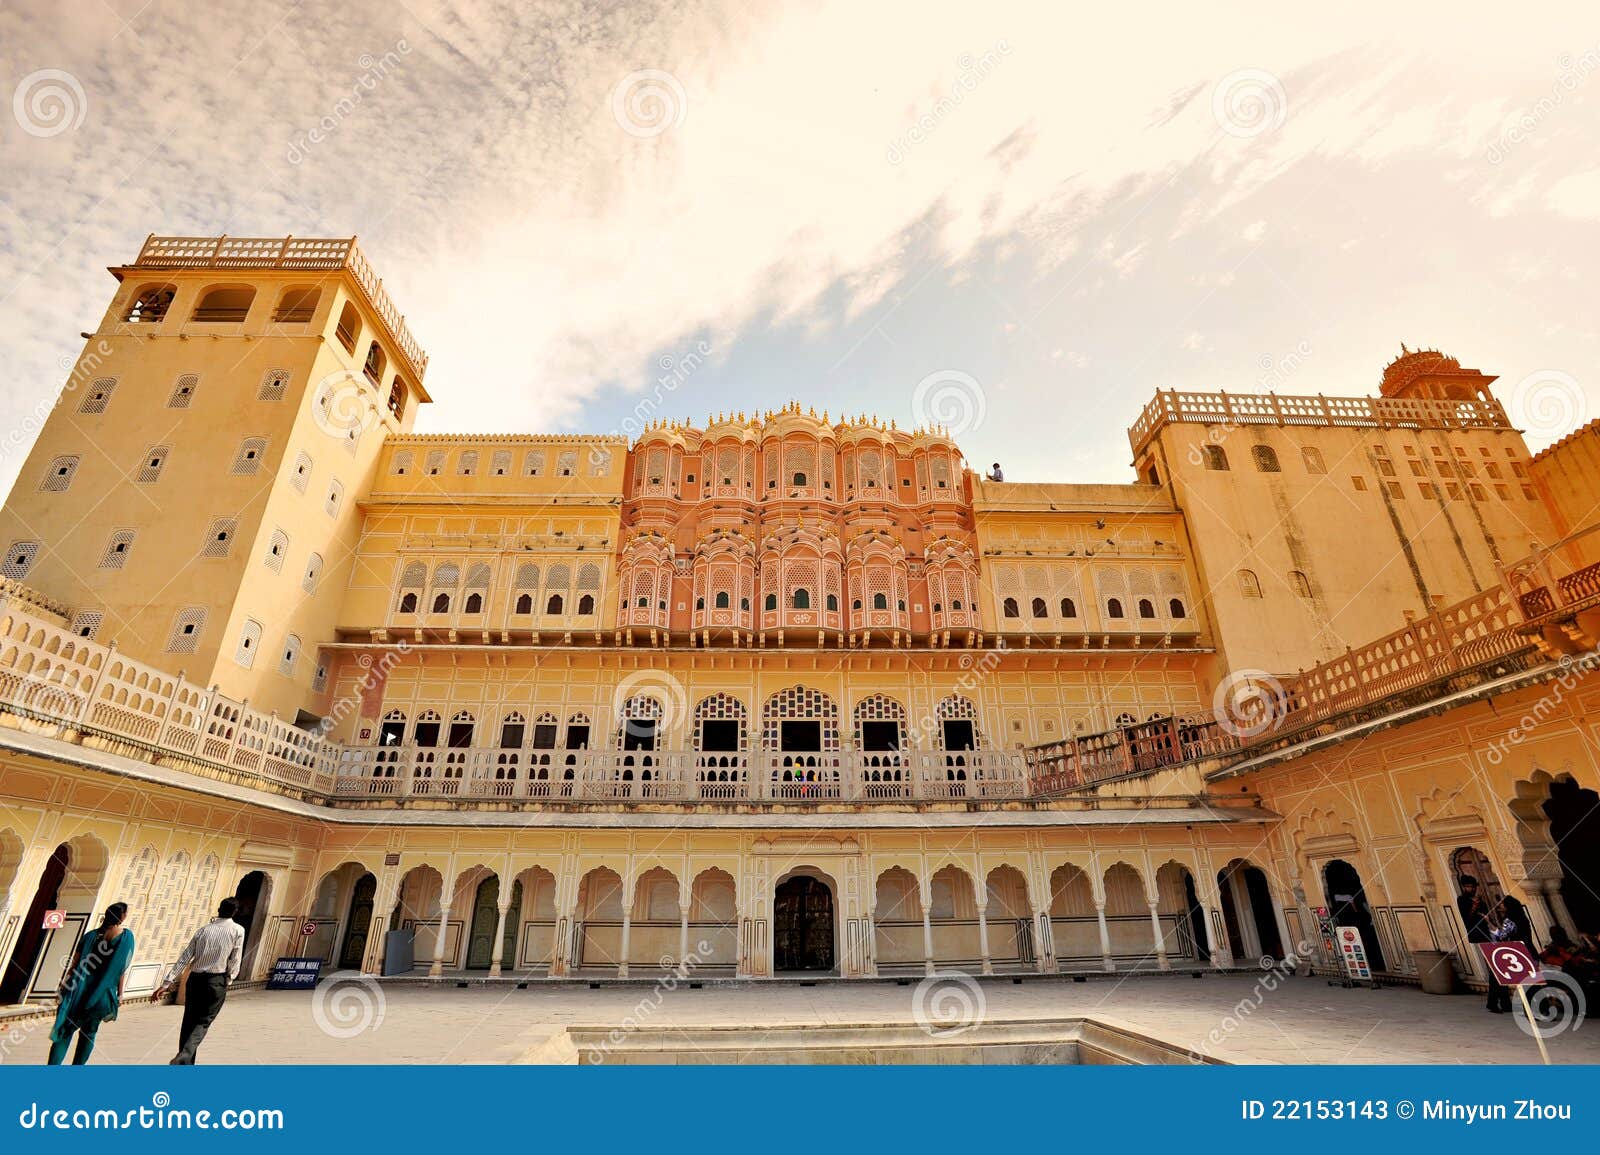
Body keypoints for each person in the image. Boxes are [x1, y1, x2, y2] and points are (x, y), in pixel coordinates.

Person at [152, 897, 246, 1064]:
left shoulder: (203, 930)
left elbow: (185, 957)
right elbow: (235, 959)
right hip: (216, 980)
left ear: (219, 910)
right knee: (204, 1021)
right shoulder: (237, 930)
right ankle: (184, 1055)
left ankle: (184, 1062)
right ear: (235, 912)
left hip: (195, 979)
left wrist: (166, 983)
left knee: (189, 1021)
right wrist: (229, 979)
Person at [47, 902, 136, 1065]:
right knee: (89, 1032)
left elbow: (74, 964)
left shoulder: (90, 936)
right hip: (100, 992)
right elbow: (120, 969)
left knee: (65, 1031)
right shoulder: (125, 937)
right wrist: (120, 994)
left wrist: (64, 985)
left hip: (77, 989)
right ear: (122, 917)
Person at [1456, 875, 1510, 1012]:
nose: (1471, 889)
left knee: (1499, 969)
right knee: (1495, 969)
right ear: (1464, 887)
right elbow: (1467, 917)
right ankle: (1493, 1003)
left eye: (1473, 886)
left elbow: (1487, 916)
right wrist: (1474, 905)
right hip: (1480, 936)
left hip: (1491, 935)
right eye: (1468, 887)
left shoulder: (1481, 901)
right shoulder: (1462, 900)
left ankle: (1504, 1002)